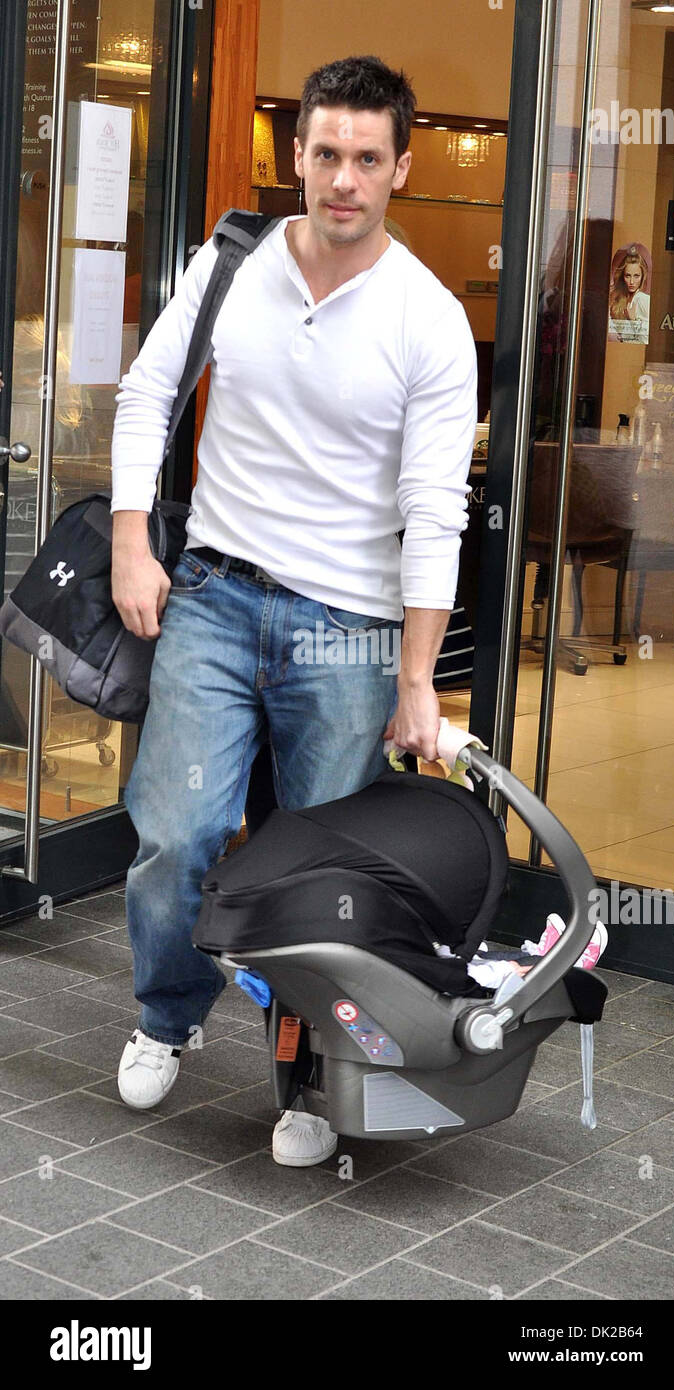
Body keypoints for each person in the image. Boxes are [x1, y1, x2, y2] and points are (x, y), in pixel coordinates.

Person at [110, 54, 477, 1167]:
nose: (345, 179)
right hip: (216, 596)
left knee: (323, 880)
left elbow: (433, 509)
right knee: (175, 835)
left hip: (347, 628)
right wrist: (134, 543)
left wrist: (416, 680)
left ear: (401, 167)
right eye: (326, 153)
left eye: (370, 159)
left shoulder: (428, 318)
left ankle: (309, 1076)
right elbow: (145, 395)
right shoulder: (232, 265)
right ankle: (166, 1015)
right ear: (300, 155)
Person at [608, 247, 650, 344]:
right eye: (628, 275)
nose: (631, 282)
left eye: (636, 276)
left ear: (642, 277)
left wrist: (633, 320)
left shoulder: (643, 300)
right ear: (622, 277)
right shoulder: (619, 301)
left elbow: (646, 340)